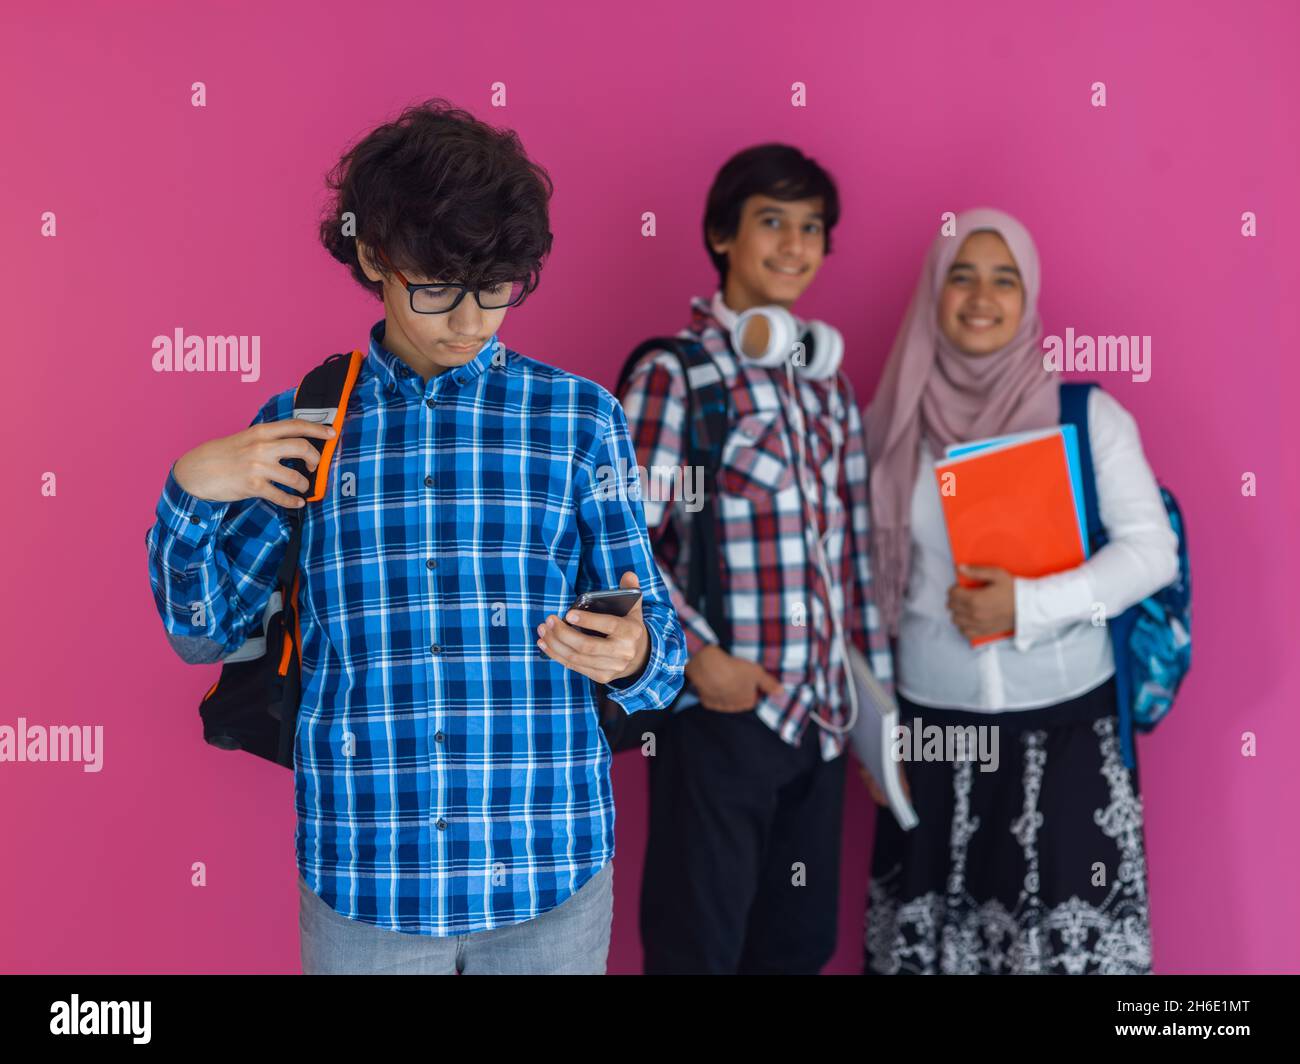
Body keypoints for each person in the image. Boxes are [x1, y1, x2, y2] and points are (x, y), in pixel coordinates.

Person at [144, 99, 686, 975]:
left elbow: (662, 657)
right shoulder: (307, 424)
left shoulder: (583, 421)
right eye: (436, 287)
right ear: (372, 256)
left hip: (550, 873)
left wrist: (631, 653)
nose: (470, 321)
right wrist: (191, 490)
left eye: (497, 289)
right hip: (366, 882)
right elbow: (198, 631)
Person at [861, 207, 1178, 974]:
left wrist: (1026, 607)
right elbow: (857, 593)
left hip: (1068, 735)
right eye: (961, 275)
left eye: (1004, 279)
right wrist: (872, 736)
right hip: (933, 743)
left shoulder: (1084, 417)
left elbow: (1151, 554)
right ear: (934, 292)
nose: (981, 296)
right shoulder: (888, 425)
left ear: (1028, 296)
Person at [620, 144, 893, 974]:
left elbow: (851, 562)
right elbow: (623, 542)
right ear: (720, 235)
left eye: (812, 227)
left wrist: (876, 719)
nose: (795, 245)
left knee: (799, 949)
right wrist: (701, 660)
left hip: (818, 726)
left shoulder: (830, 390)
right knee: (698, 950)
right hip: (722, 721)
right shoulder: (679, 376)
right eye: (772, 221)